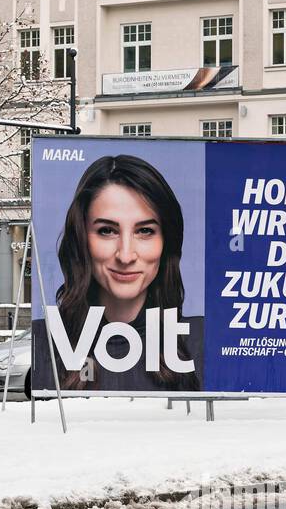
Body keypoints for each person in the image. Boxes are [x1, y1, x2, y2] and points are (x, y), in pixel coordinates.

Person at [32, 153, 201, 392]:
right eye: (107, 230)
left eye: (144, 231)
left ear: (167, 242)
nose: (125, 255)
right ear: (81, 238)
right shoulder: (43, 341)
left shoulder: (201, 342)